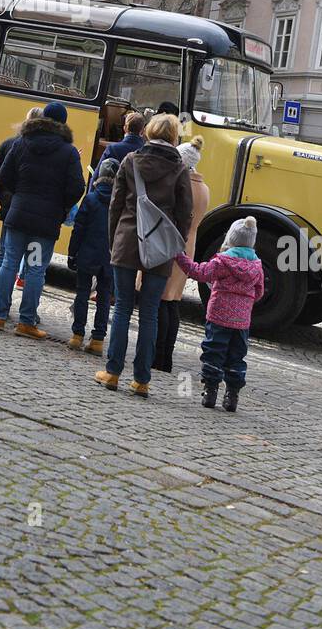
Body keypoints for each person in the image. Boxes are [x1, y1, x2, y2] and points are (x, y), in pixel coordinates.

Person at [95, 113, 193, 397]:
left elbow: (115, 206)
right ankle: (141, 379)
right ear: (174, 136)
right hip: (161, 245)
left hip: (127, 239)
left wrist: (114, 241)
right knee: (150, 312)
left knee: (123, 308)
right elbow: (185, 213)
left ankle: (112, 372)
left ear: (148, 132)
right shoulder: (180, 169)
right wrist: (176, 242)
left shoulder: (131, 161)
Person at [0, 101, 84, 339]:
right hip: (45, 223)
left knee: (9, 263)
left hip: (18, 214)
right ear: (63, 123)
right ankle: (26, 322)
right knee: (35, 270)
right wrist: (60, 207)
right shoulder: (68, 151)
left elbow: (3, 175)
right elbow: (77, 188)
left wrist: (18, 195)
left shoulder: (22, 142)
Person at [176, 215, 265, 411]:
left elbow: (198, 272)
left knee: (214, 352)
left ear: (230, 239)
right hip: (241, 322)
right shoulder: (257, 267)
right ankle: (232, 396)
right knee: (236, 356)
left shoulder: (222, 262)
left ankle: (210, 392)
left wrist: (180, 256)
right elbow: (259, 293)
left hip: (218, 317)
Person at [153, 135, 210, 374]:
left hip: (173, 243)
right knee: (173, 300)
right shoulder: (203, 187)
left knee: (163, 299)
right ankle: (166, 355)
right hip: (189, 245)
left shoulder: (181, 184)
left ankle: (159, 355)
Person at [68, 158, 119, 356]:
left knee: (82, 294)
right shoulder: (120, 202)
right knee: (105, 297)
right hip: (110, 258)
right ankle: (98, 339)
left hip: (88, 254)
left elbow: (78, 229)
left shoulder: (90, 198)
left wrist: (73, 253)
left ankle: (77, 335)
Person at [0, 107, 43, 290]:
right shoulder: (50, 150)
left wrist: (5, 199)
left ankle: (0, 302)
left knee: (6, 257)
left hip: (12, 209)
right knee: (33, 260)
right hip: (38, 215)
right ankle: (28, 311)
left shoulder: (10, 144)